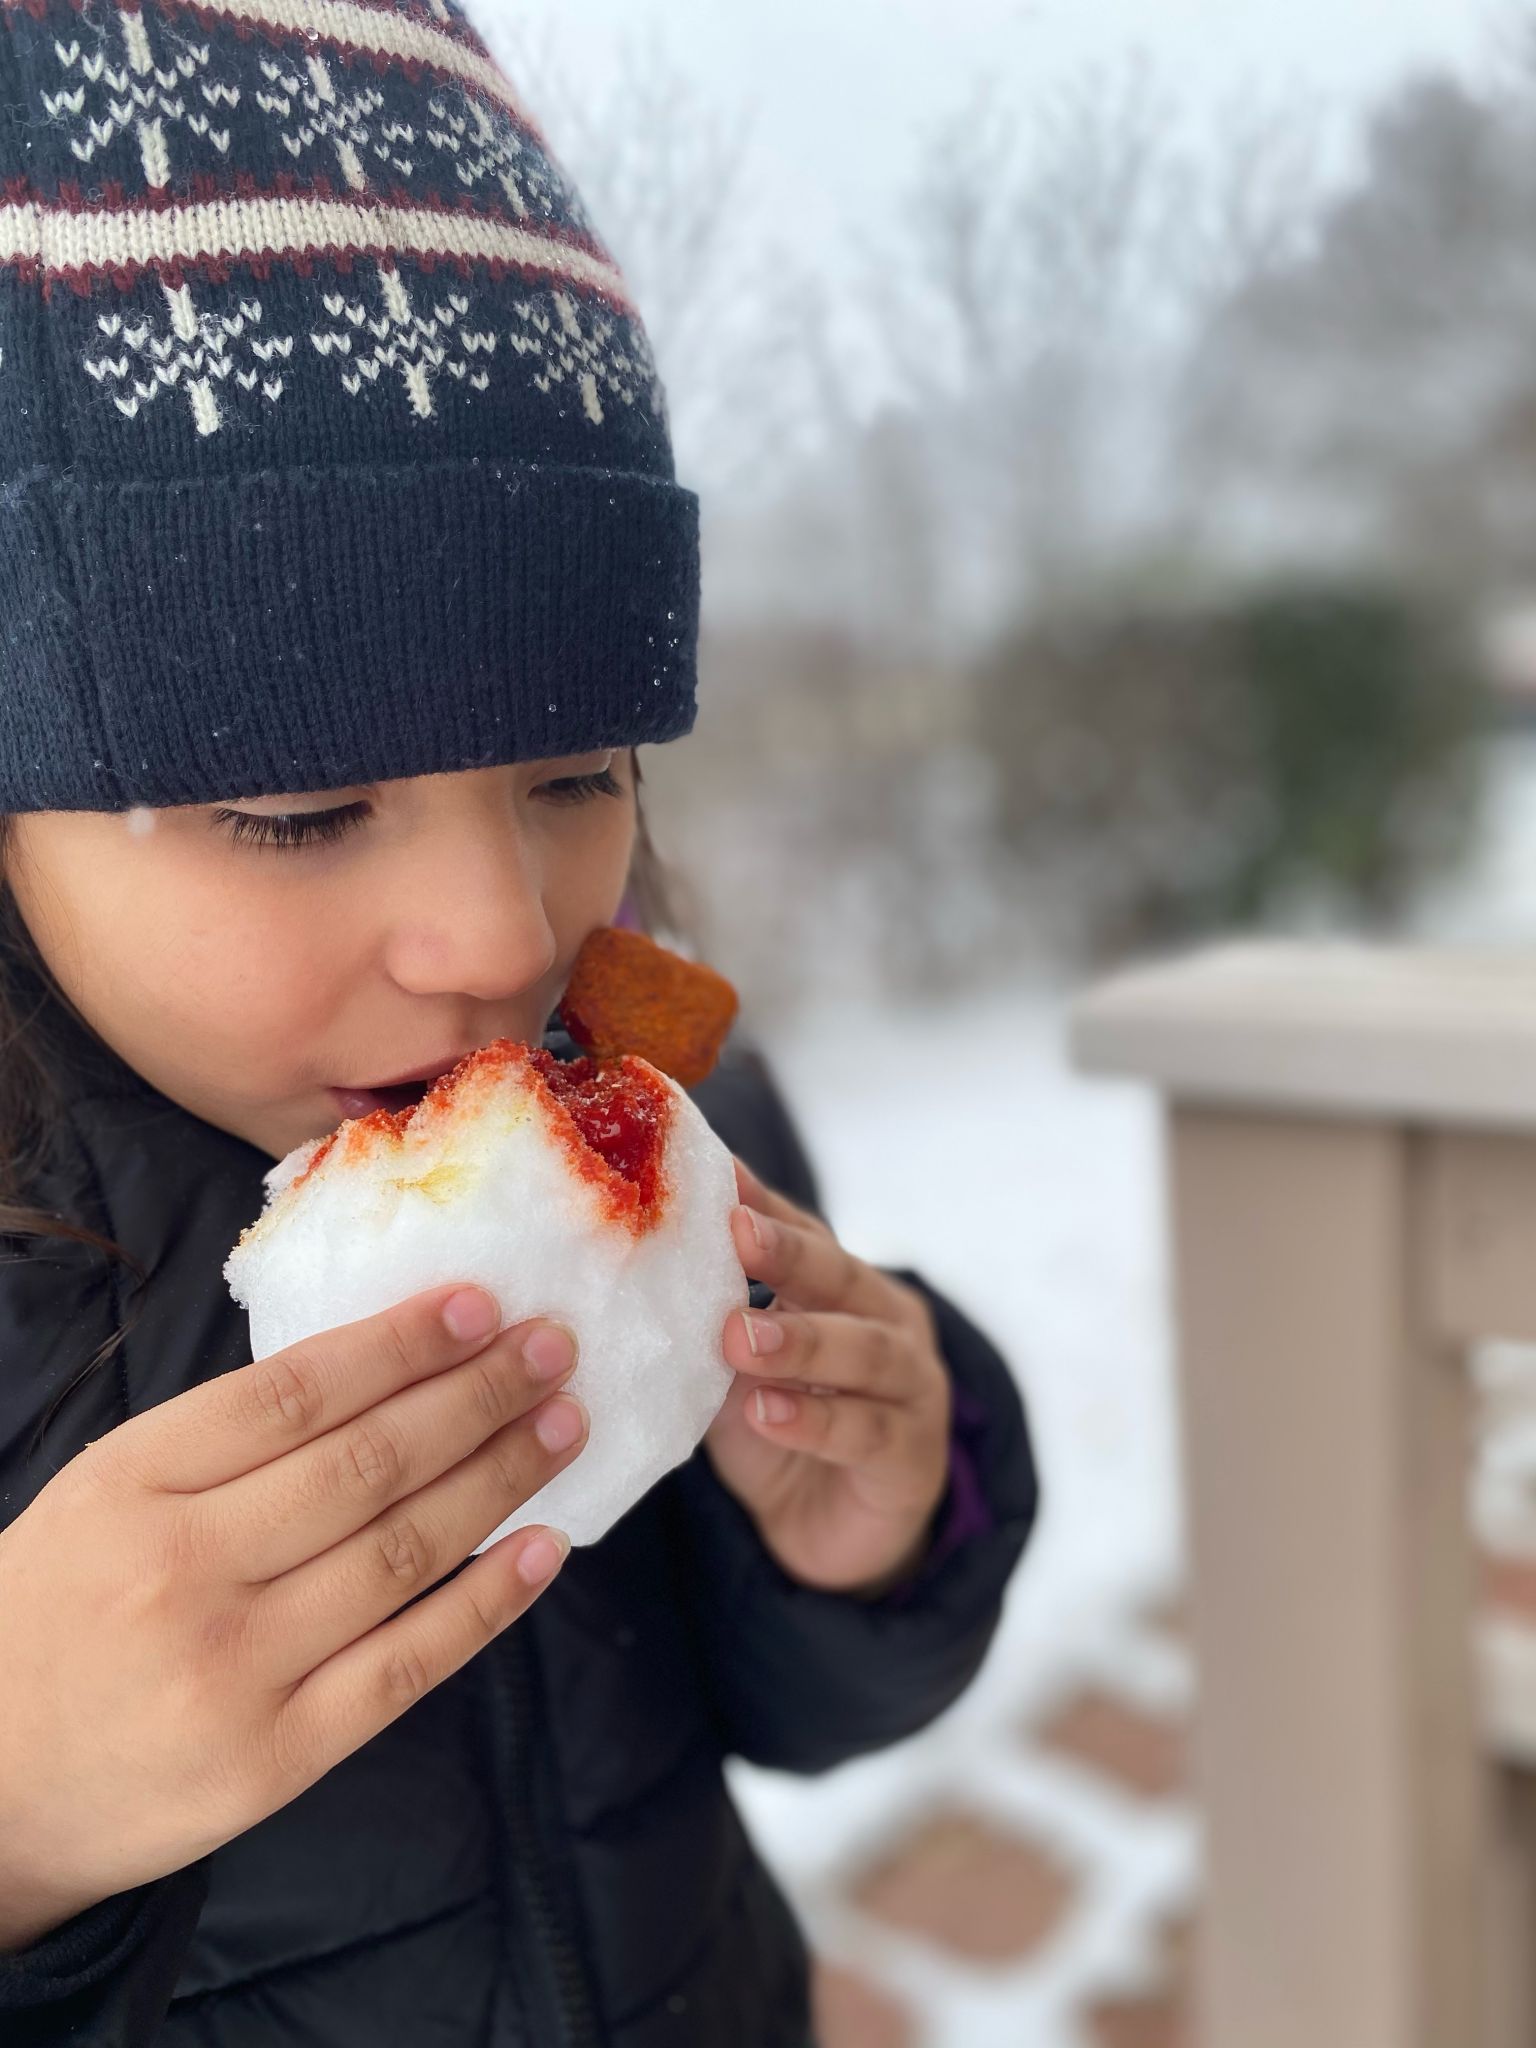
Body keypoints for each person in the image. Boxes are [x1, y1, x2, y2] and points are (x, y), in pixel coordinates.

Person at [0, 0, 1041, 2040]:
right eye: (298, 806)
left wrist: (885, 1525)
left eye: (577, 774)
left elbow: (791, 1715)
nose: (496, 936)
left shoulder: (666, 1108)